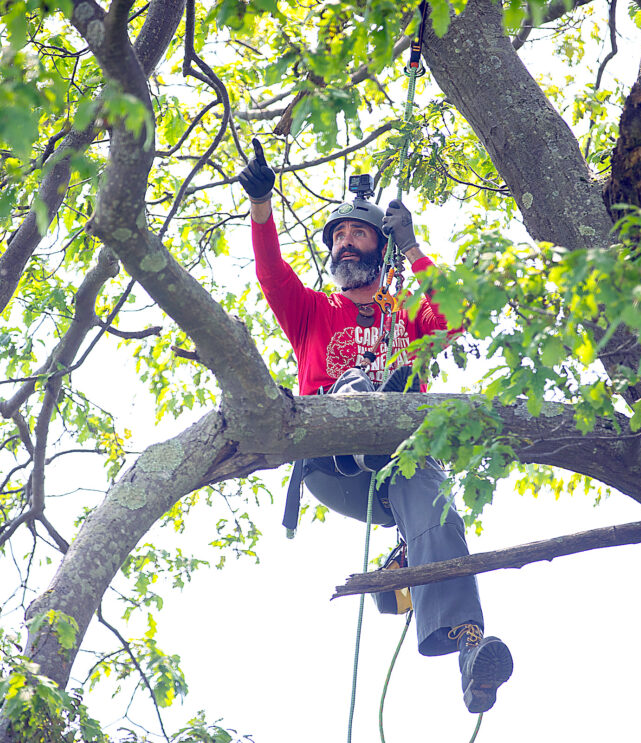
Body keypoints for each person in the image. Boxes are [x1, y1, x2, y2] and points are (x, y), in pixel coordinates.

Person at [238, 138, 513, 714]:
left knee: (432, 496)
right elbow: (270, 272)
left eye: (355, 233)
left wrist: (411, 245)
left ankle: (465, 646)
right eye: (337, 236)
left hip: (396, 465)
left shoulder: (405, 312)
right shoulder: (312, 312)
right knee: (357, 392)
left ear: (377, 247)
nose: (343, 242)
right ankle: (368, 400)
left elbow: (461, 315)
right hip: (334, 464)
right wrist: (262, 203)